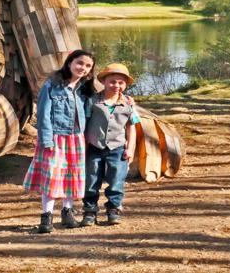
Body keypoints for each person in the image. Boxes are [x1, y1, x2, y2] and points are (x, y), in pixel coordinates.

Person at [25, 49, 96, 233]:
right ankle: (46, 216)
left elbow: (89, 114)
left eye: (88, 66)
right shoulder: (52, 85)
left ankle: (67, 212)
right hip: (55, 137)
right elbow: (43, 115)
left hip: (76, 138)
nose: (83, 68)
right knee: (51, 177)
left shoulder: (85, 89)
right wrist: (46, 139)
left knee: (72, 175)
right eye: (80, 63)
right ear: (69, 62)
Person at [81, 62, 142, 226]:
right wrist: (84, 146)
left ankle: (113, 209)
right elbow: (84, 125)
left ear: (126, 85)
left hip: (117, 148)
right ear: (104, 82)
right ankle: (89, 211)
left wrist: (130, 149)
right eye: (112, 81)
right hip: (95, 147)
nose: (116, 85)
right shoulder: (93, 102)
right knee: (92, 179)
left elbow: (131, 129)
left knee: (116, 179)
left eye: (121, 82)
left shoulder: (128, 104)